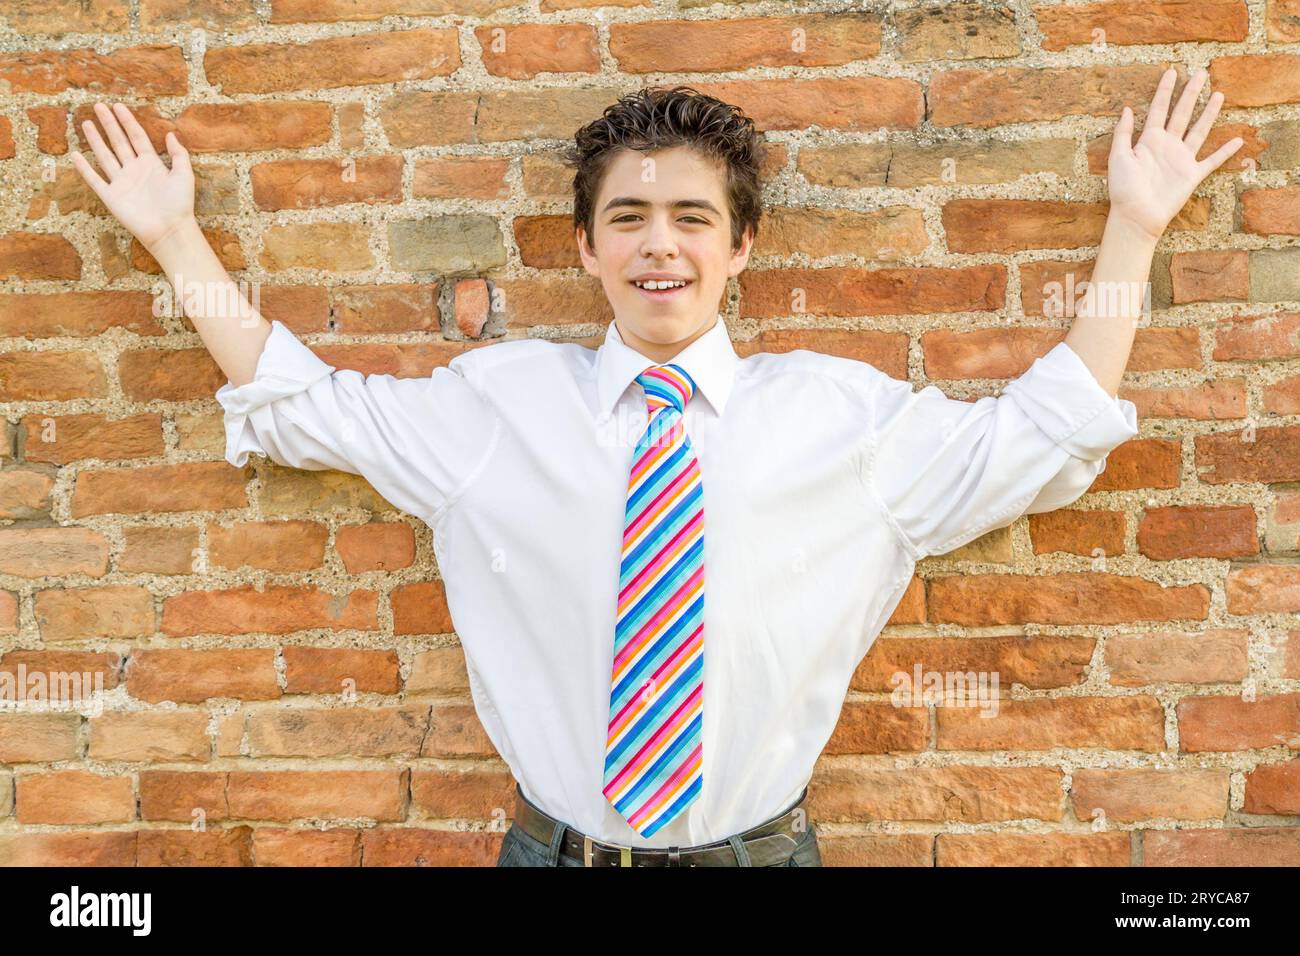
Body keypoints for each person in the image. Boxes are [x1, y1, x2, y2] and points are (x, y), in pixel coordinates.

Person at [72, 71, 1241, 867]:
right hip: (553, 852)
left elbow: (1050, 430)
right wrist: (174, 237)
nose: (659, 243)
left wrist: (1132, 226)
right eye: (627, 216)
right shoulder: (495, 407)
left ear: (740, 247)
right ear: (586, 246)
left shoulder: (843, 421)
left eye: (691, 215)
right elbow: (297, 402)